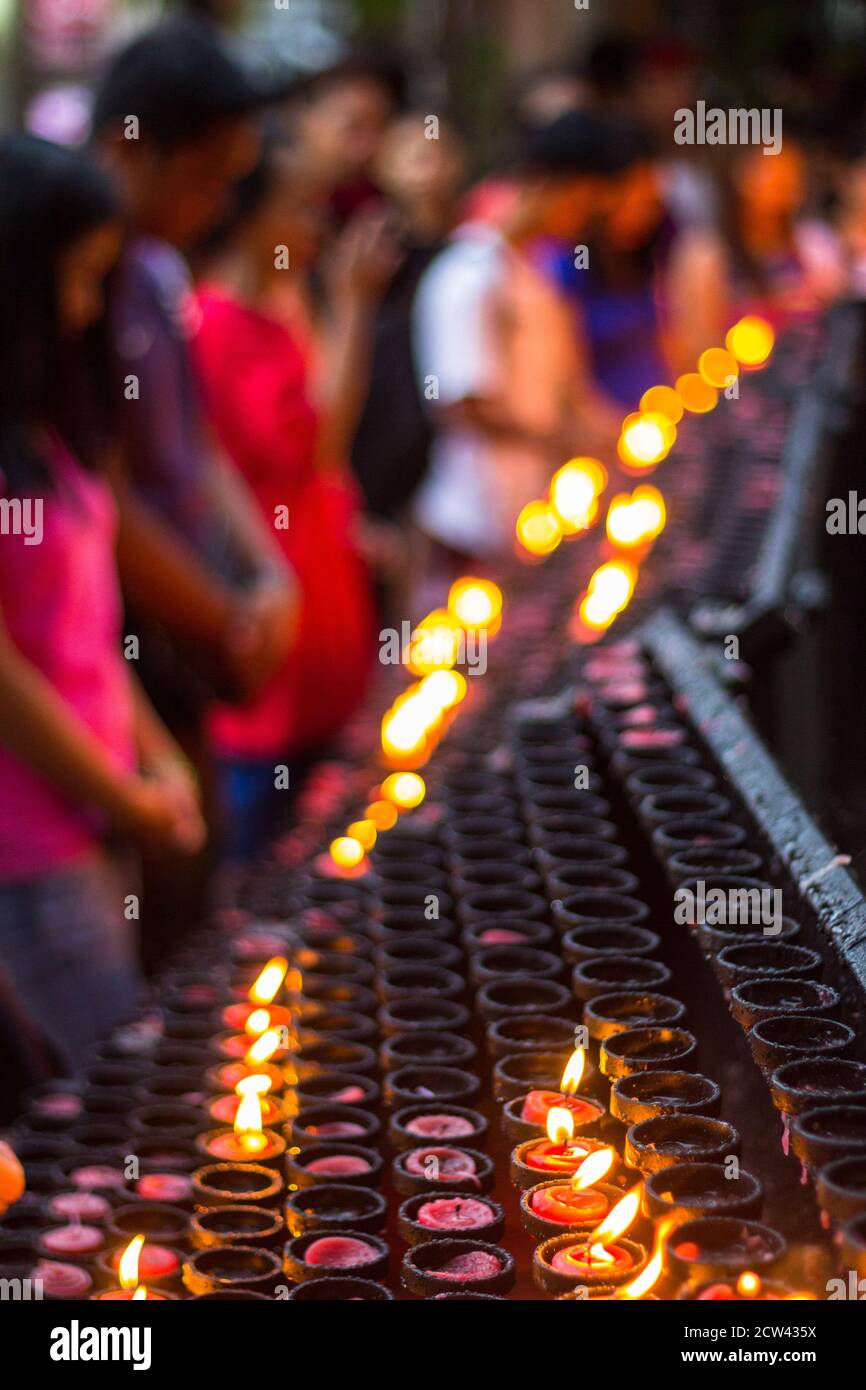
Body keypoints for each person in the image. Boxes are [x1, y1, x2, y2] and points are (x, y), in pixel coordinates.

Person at [90, 19, 298, 954]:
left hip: (192, 637)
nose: (220, 206)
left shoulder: (158, 269)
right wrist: (224, 615)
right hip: (119, 651)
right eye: (208, 176)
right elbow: (93, 491)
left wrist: (269, 574)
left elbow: (197, 441)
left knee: (192, 896)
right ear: (133, 144)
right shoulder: (72, 280)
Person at [0, 135, 205, 1069]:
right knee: (113, 1097)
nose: (86, 310)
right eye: (72, 279)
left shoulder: (46, 426)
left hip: (98, 815)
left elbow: (84, 634)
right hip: (30, 843)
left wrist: (158, 761)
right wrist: (126, 796)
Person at [192, 137, 387, 859]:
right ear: (246, 213)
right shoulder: (212, 323)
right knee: (266, 848)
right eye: (300, 207)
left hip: (325, 583)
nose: (316, 226)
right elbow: (316, 446)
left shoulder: (283, 305)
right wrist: (354, 306)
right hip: (276, 600)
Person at [411, 109, 628, 565]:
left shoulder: (536, 274)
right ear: (549, 185)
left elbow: (566, 391)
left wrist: (618, 431)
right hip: (472, 531)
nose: (584, 221)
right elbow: (463, 405)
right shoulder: (467, 272)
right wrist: (561, 436)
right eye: (584, 203)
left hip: (531, 526)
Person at [351, 110, 467, 524]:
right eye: (414, 157)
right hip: (387, 423)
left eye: (438, 155)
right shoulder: (375, 251)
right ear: (384, 168)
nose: (428, 170)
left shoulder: (466, 248)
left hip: (446, 431)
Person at [288, 53, 405, 228]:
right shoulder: (254, 200)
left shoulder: (388, 206)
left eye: (380, 128)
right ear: (305, 119)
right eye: (353, 128)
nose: (368, 146)